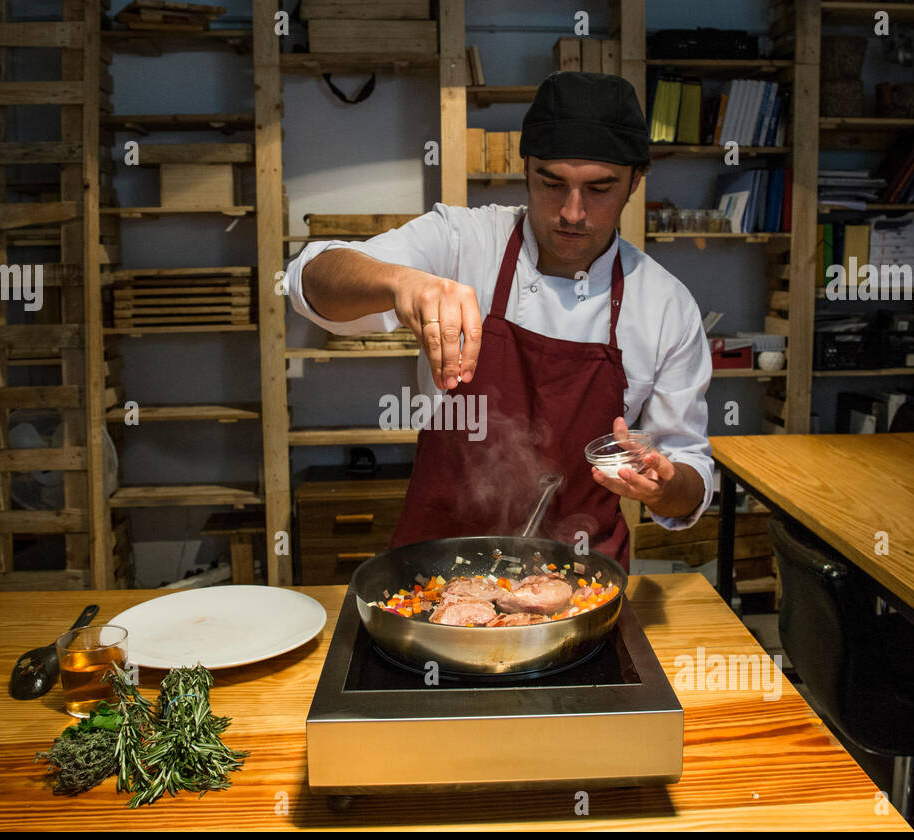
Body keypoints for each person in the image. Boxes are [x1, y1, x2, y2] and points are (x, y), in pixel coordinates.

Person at [284, 71, 712, 568]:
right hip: (437, 571)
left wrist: (664, 485)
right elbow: (309, 278)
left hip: (577, 585)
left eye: (599, 189)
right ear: (526, 168)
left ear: (635, 182)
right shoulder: (464, 240)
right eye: (552, 183)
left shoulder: (664, 304)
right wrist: (402, 283)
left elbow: (690, 473)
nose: (573, 212)